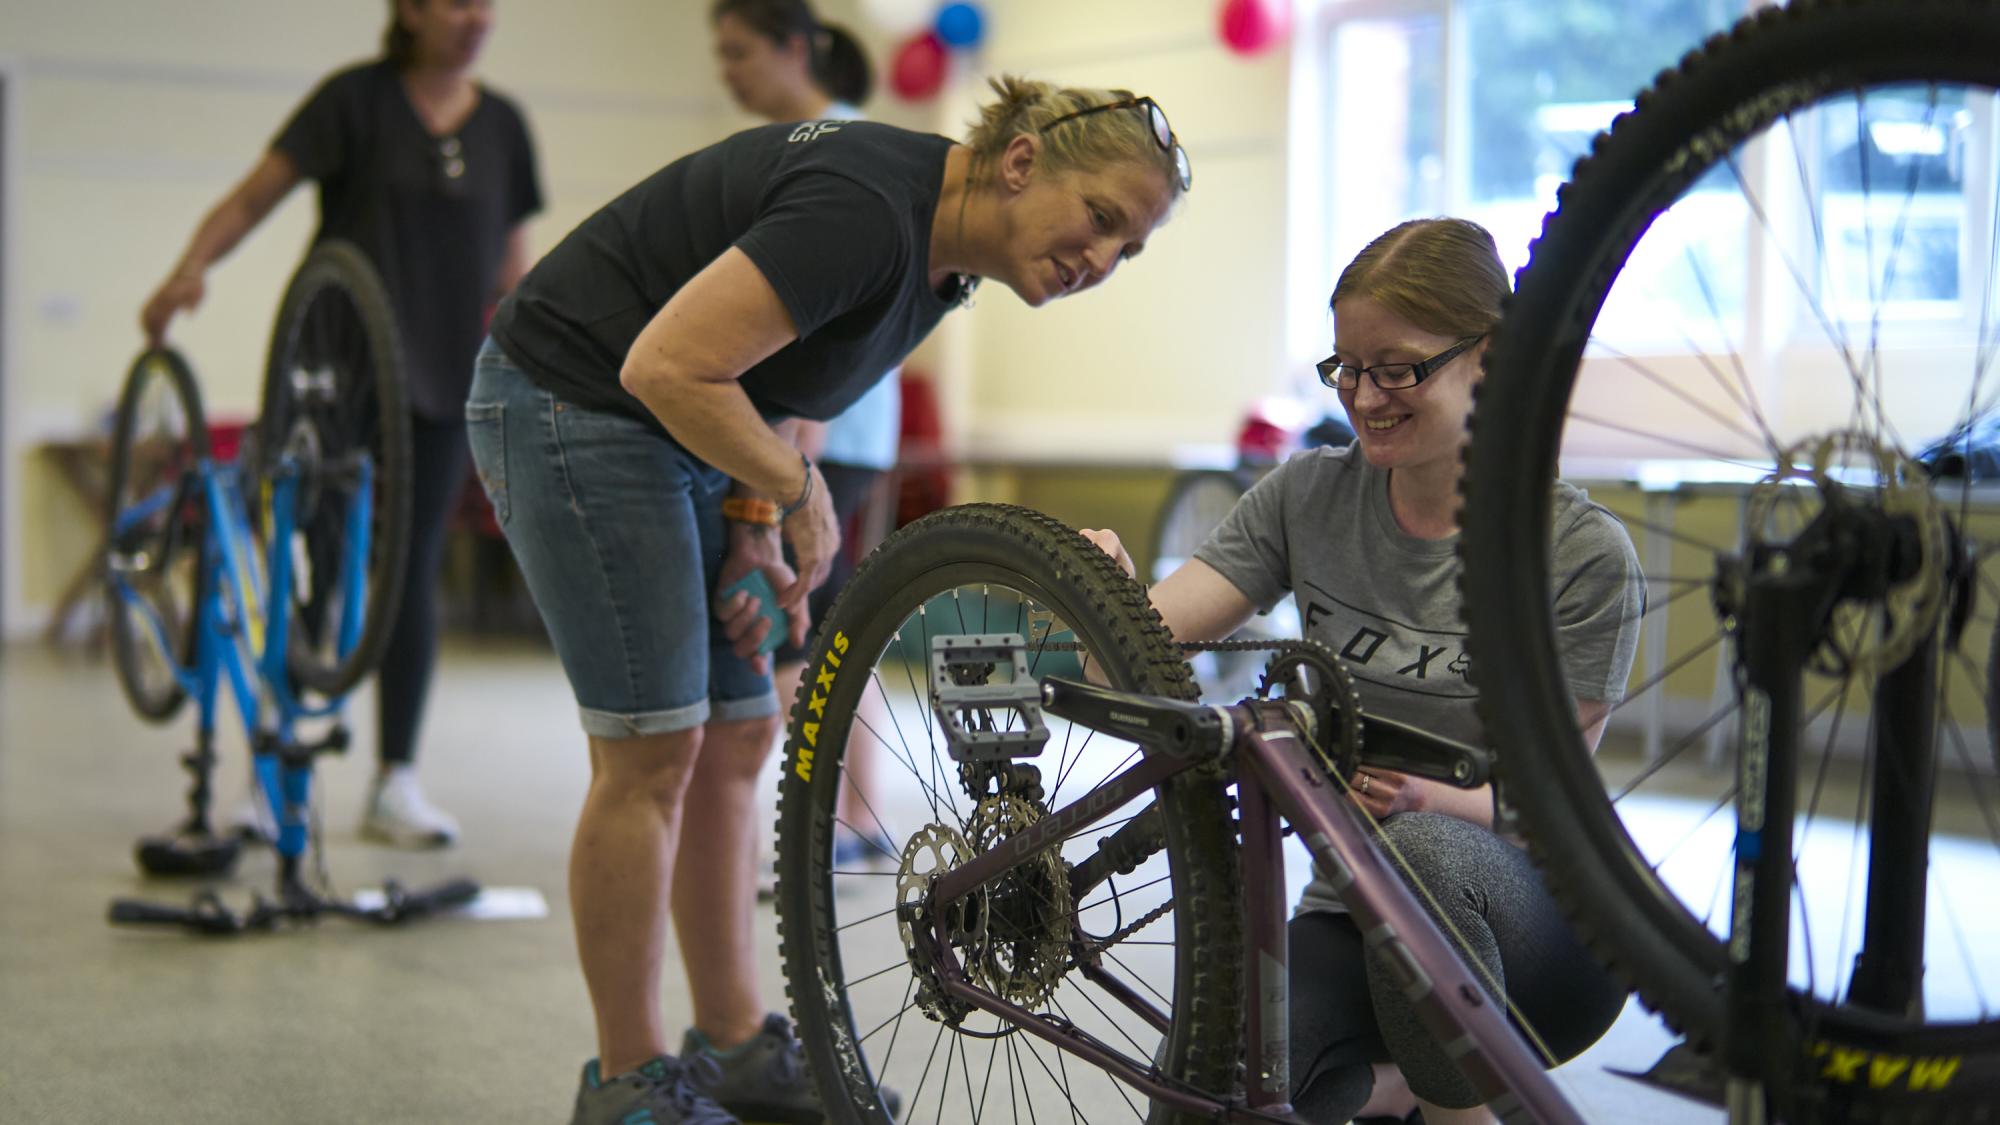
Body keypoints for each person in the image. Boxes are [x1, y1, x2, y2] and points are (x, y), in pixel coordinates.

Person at [465, 71, 1192, 1124]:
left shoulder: (943, 262)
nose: (1101, 261)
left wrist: (753, 529)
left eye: (1127, 248)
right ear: (1022, 160)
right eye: (1100, 219)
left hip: (673, 427)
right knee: (650, 749)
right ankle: (624, 1080)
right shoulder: (867, 209)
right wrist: (790, 490)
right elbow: (665, 365)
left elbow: (790, 376)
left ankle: (730, 1042)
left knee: (739, 736)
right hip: (574, 403)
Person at [1082, 217, 1642, 1124]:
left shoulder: (1578, 552)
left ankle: (1457, 1110)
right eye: (1345, 367)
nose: (1365, 396)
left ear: (1490, 357)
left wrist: (1426, 798)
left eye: (1398, 367)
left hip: (1547, 929)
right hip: (1359, 911)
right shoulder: (1309, 495)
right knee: (1206, 1086)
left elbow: (1554, 812)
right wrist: (1096, 593)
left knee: (1416, 857)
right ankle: (1393, 1095)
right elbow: (1144, 640)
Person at [139, 0, 542, 849]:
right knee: (319, 561)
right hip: (333, 368)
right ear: (411, 10)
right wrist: (188, 270)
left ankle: (394, 780)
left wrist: (538, 364)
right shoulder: (352, 102)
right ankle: (275, 773)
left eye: (488, 3)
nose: (477, 18)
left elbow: (515, 267)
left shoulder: (504, 125)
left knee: (409, 569)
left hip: (443, 377)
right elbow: (255, 198)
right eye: (457, 2)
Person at [709, 0, 900, 895]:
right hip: (825, 428)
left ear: (795, 49)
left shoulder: (837, 147)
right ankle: (856, 821)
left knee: (796, 634)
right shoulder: (806, 144)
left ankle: (817, 826)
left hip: (822, 428)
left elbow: (831, 317)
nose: (728, 71)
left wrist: (793, 450)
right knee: (826, 629)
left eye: (739, 51)